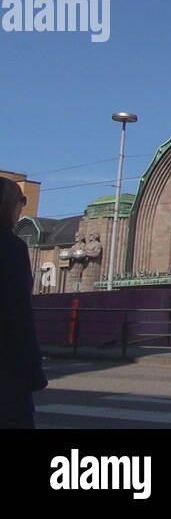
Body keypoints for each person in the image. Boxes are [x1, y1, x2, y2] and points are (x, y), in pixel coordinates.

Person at [0, 178, 47, 428]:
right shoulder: (10, 247)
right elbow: (18, 315)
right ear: (8, 206)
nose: (21, 210)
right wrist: (33, 370)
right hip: (6, 370)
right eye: (20, 203)